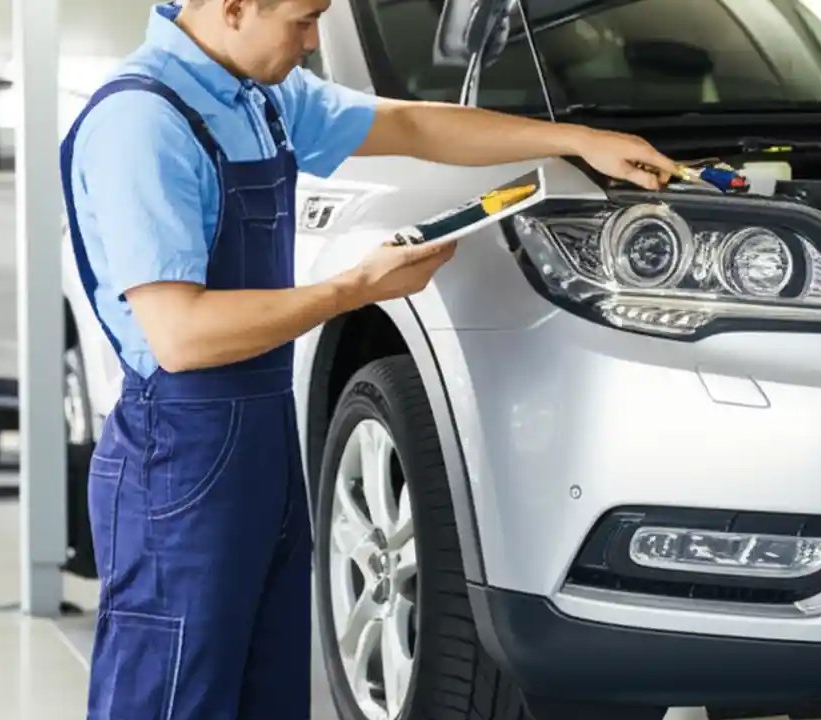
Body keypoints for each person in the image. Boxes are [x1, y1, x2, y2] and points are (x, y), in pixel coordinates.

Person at [59, 0, 681, 717]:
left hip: (259, 443)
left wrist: (578, 140)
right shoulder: (144, 124)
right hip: (177, 462)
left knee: (266, 692)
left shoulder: (260, 95)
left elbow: (411, 124)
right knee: (172, 695)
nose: (313, 38)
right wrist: (353, 287)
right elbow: (183, 335)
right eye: (304, 17)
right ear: (233, 8)